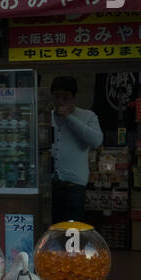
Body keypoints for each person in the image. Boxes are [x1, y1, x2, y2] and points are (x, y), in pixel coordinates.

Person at [49, 75, 103, 224]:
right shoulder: (47, 117)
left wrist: (68, 117)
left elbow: (97, 141)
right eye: (56, 96)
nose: (60, 101)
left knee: (74, 229)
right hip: (50, 184)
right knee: (54, 229)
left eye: (65, 97)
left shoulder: (87, 116)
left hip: (75, 185)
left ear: (73, 98)